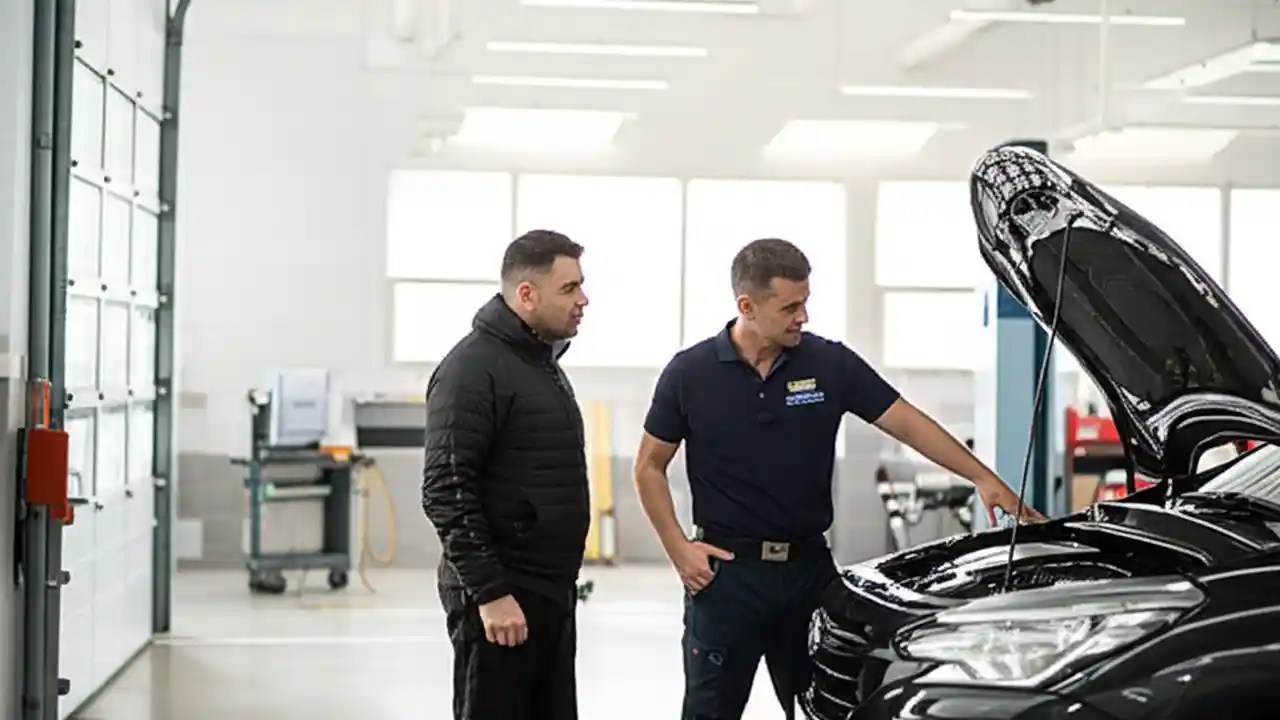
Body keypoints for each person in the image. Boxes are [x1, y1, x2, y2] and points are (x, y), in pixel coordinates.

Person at [634, 238, 1044, 720]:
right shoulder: (690, 374)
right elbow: (649, 465)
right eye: (789, 306)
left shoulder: (829, 365)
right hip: (727, 578)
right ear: (746, 305)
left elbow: (908, 422)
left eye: (805, 303)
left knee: (830, 712)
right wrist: (678, 547)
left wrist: (982, 478)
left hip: (809, 574)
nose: (802, 317)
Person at [421, 229, 591, 720]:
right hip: (502, 598)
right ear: (526, 295)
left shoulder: (539, 364)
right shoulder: (472, 369)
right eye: (569, 288)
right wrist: (491, 594)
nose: (583, 299)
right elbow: (445, 489)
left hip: (547, 592)